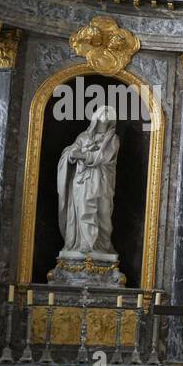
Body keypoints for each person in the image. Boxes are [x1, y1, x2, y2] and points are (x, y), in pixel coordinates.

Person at [57, 105, 121, 257]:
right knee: (84, 208)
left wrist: (82, 155)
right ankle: (83, 244)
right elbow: (70, 152)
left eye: (109, 111)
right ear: (96, 116)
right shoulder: (83, 137)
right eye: (103, 110)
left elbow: (104, 157)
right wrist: (73, 155)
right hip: (82, 182)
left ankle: (101, 247)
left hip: (102, 181)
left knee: (103, 214)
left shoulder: (112, 139)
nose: (106, 113)